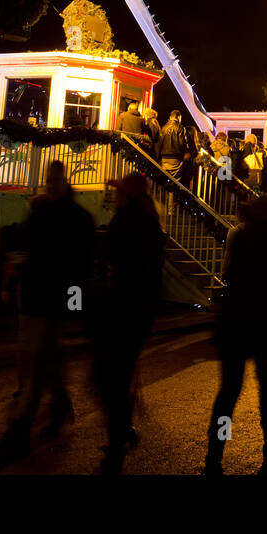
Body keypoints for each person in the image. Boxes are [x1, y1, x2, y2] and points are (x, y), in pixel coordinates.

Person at [0, 161, 96, 463]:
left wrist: (75, 305)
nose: (51, 185)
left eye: (55, 180)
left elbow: (82, 266)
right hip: (36, 297)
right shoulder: (42, 213)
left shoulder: (77, 219)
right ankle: (61, 404)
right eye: (48, 180)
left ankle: (19, 429)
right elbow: (24, 249)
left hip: (51, 300)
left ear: (65, 181)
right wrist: (12, 280)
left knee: (38, 363)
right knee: (47, 359)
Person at [204, 195, 267, 474]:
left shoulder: (241, 235)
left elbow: (231, 274)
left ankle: (214, 456)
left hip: (236, 324)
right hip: (263, 324)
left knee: (229, 393)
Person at [95, 172, 164, 474]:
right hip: (137, 310)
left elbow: (116, 258)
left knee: (111, 375)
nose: (114, 196)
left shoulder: (128, 221)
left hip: (124, 308)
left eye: (119, 191)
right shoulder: (147, 220)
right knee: (119, 373)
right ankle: (121, 428)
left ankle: (118, 435)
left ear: (129, 195)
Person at [157, 111, 186, 180]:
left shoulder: (163, 127)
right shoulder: (181, 128)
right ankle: (172, 191)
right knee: (175, 180)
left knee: (164, 178)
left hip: (164, 157)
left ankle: (164, 190)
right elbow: (182, 143)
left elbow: (159, 143)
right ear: (178, 117)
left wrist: (158, 156)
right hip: (175, 158)